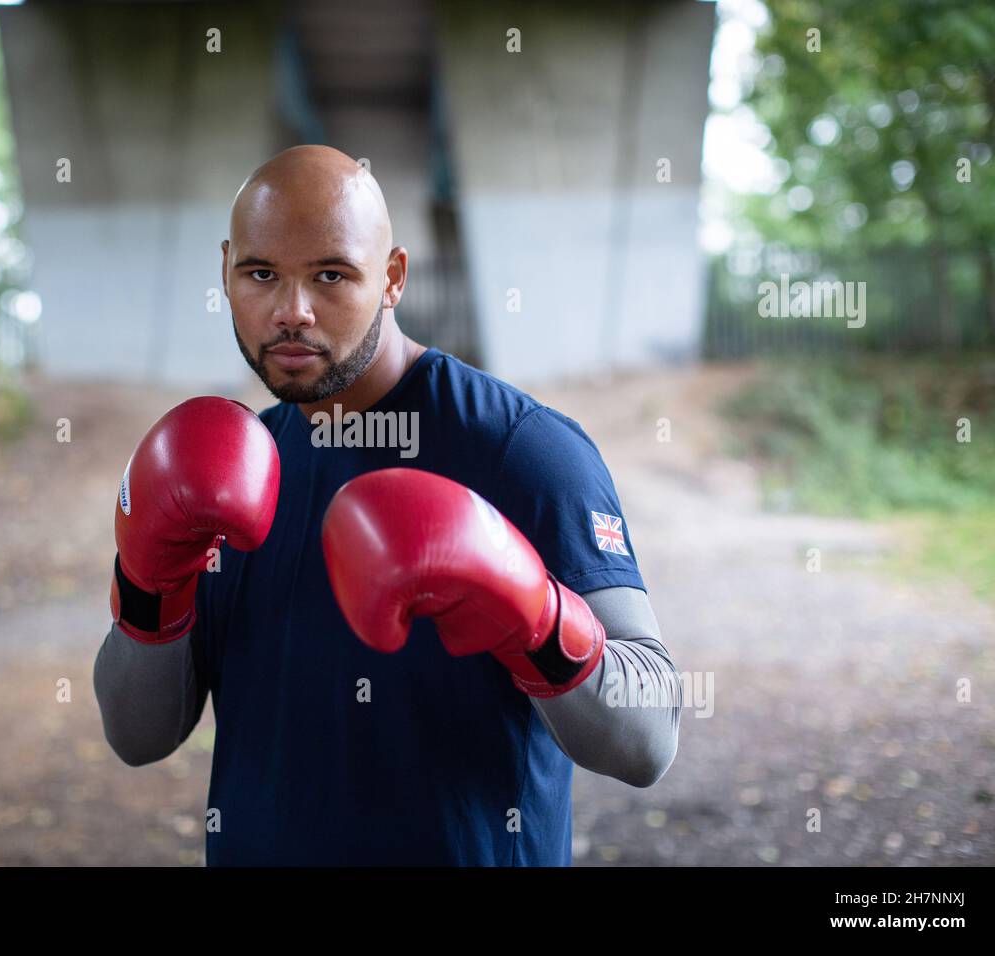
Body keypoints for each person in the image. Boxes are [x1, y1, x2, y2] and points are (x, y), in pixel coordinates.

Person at [94, 145, 682, 866]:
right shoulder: (225, 470)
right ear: (226, 270)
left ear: (394, 278)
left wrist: (537, 618)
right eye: (261, 274)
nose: (291, 311)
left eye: (331, 275)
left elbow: (649, 742)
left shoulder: (521, 452)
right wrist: (151, 585)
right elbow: (138, 735)